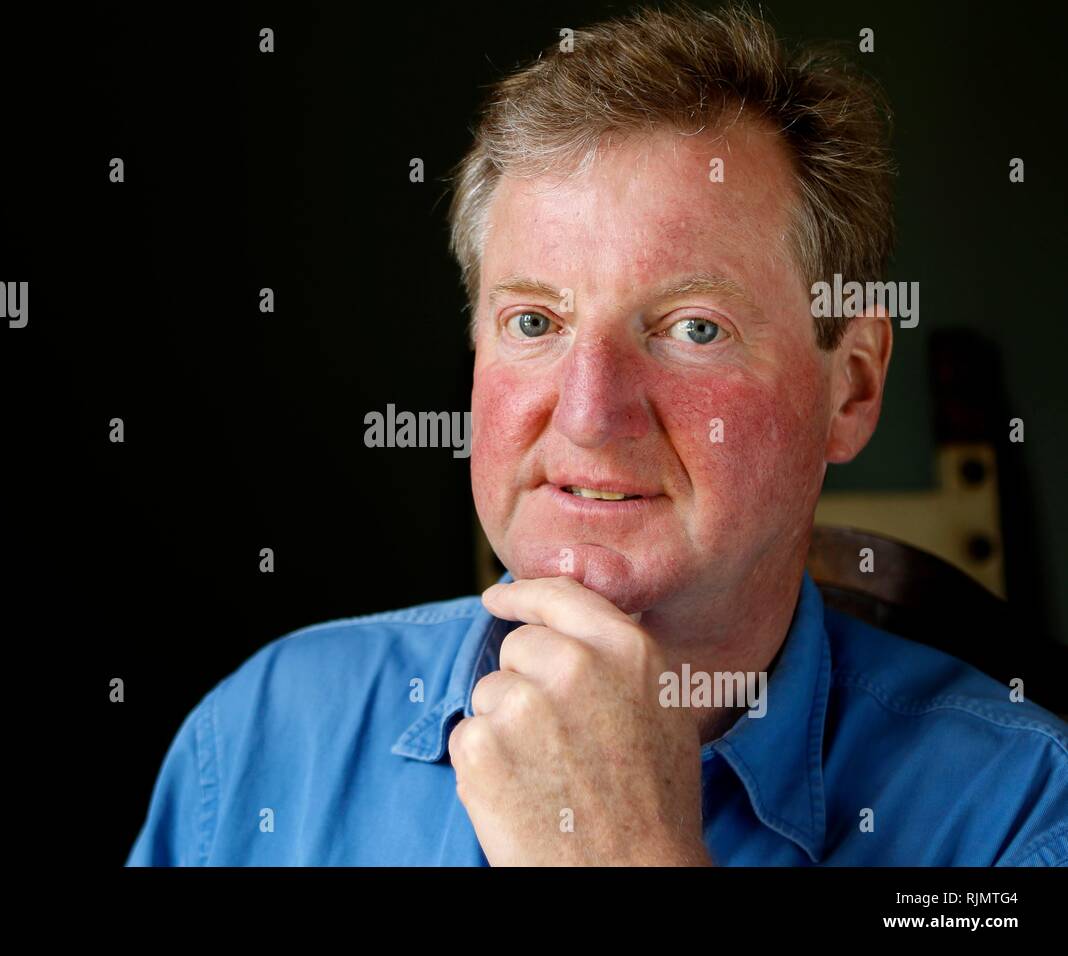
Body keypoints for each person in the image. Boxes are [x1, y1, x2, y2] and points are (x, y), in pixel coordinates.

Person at [128, 4, 1068, 866]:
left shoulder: (1024, 818)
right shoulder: (259, 738)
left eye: (694, 328)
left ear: (850, 389)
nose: (586, 413)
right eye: (534, 323)